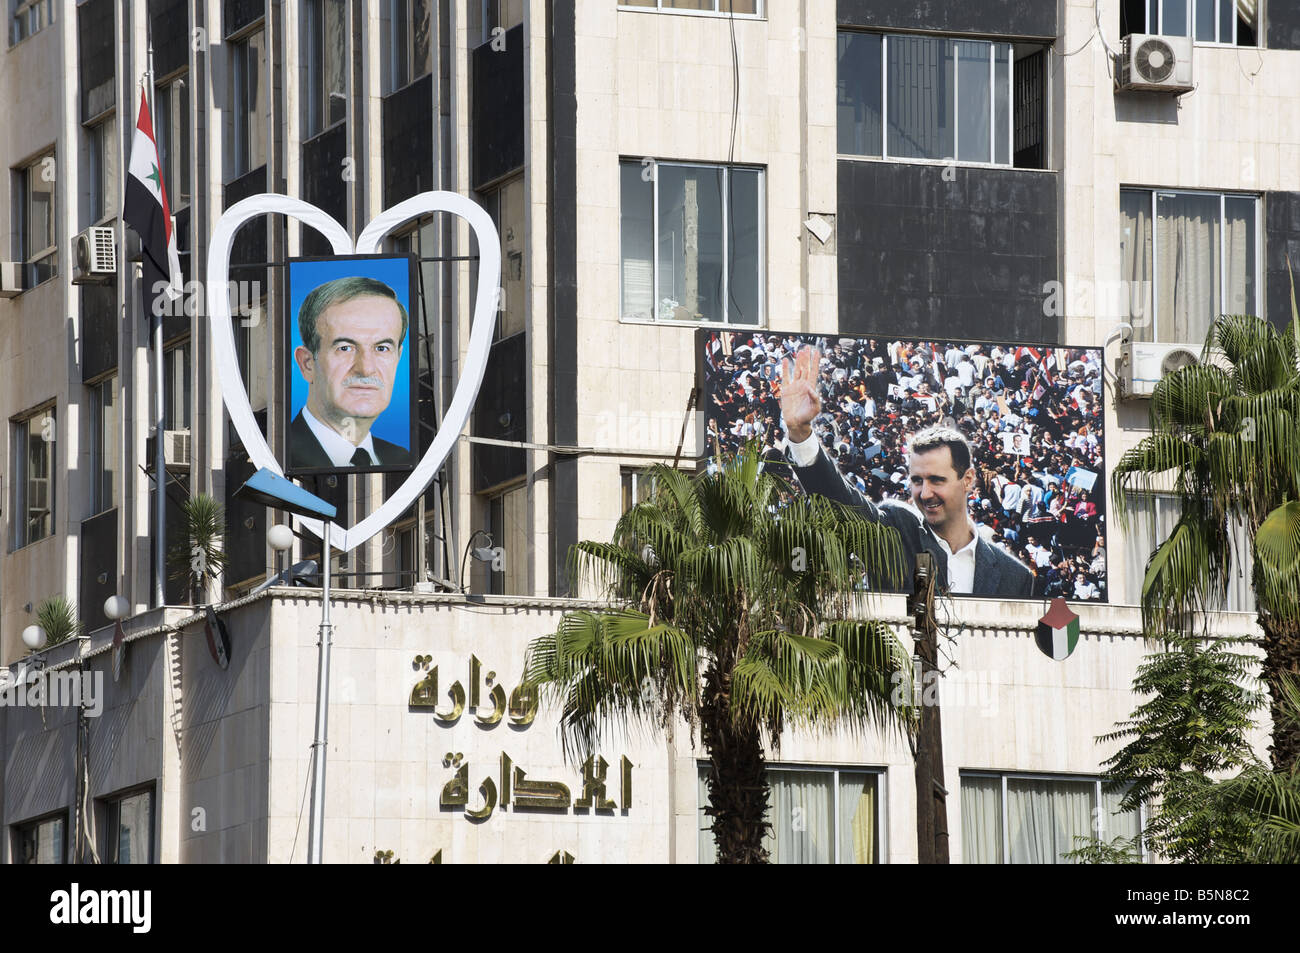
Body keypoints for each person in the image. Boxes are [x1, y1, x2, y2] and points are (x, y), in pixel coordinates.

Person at [779, 347, 1033, 598]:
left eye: (937, 480)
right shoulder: (897, 531)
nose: (925, 493)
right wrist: (801, 434)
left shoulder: (1015, 578)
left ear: (967, 479)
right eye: (917, 480)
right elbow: (841, 503)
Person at [289, 275, 412, 470]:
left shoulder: (401, 459)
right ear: (307, 363)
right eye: (345, 348)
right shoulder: (276, 457)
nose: (366, 368)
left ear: (398, 357)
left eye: (381, 348)